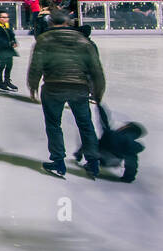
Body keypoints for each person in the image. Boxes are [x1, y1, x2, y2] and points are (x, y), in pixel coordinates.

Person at [27, 10, 105, 179]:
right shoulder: (83, 41)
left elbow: (36, 66)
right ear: (68, 23)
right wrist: (98, 91)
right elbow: (96, 69)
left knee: (54, 125)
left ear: (50, 23)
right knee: (85, 124)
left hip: (53, 87)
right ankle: (93, 162)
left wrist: (32, 86)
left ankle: (58, 161)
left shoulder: (44, 39)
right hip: (79, 88)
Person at [0, 9, 19, 91]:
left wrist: (14, 41)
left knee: (10, 64)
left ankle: (7, 80)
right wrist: (9, 44)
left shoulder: (8, 25)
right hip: (2, 49)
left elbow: (12, 35)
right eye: (3, 17)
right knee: (2, 65)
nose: (5, 19)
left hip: (9, 49)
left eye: (7, 17)